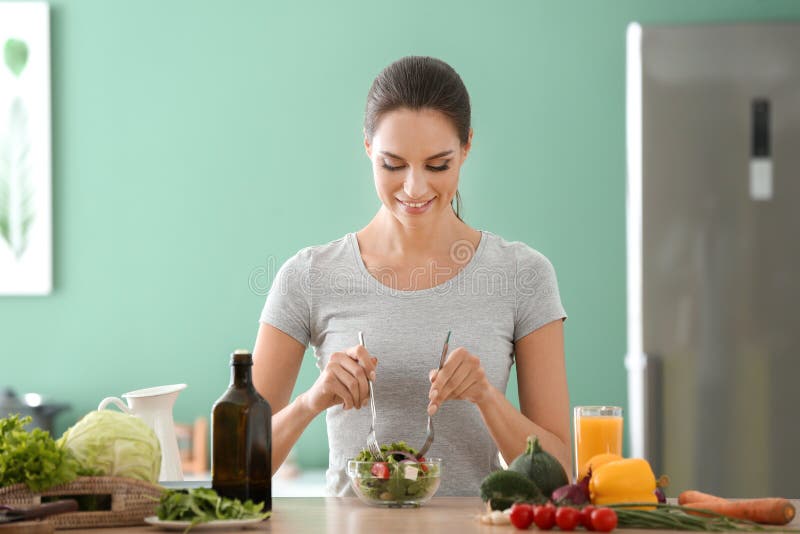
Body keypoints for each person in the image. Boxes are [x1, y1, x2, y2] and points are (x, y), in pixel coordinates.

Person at [252, 56, 570, 497]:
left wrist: (487, 398)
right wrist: (313, 400)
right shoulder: (307, 276)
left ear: (467, 147)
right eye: (393, 165)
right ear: (367, 148)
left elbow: (562, 475)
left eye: (438, 165)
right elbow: (236, 467)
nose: (415, 188)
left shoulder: (523, 275)